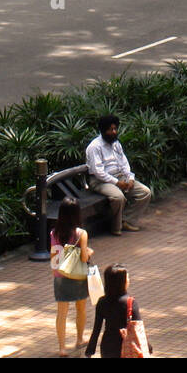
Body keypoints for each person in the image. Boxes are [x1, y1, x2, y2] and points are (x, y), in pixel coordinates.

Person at [85, 115, 152, 236]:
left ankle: (126, 220)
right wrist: (117, 183)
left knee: (145, 192)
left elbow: (124, 163)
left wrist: (130, 178)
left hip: (120, 177)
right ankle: (115, 227)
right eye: (111, 129)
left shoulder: (116, 144)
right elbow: (99, 172)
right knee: (118, 197)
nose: (114, 132)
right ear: (103, 130)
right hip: (101, 181)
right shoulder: (94, 147)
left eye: (115, 129)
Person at [49, 197, 92, 356]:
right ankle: (79, 339)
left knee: (62, 312)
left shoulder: (54, 233)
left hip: (60, 275)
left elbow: (54, 258)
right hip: (78, 275)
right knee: (80, 308)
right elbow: (83, 258)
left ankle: (62, 347)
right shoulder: (81, 233)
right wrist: (88, 252)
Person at [85, 264, 153, 358]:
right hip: (128, 345)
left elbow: (96, 329)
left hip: (108, 346)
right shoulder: (130, 302)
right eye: (127, 278)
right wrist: (148, 346)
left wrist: (90, 350)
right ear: (122, 282)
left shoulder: (102, 302)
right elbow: (139, 328)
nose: (129, 280)